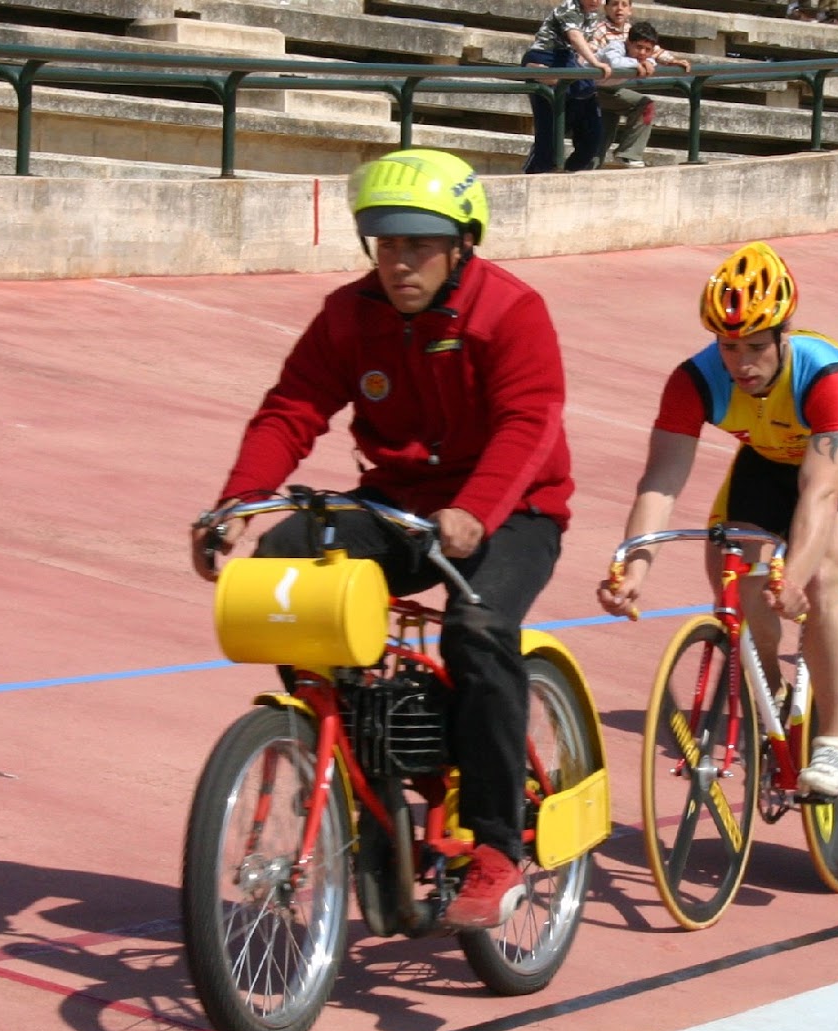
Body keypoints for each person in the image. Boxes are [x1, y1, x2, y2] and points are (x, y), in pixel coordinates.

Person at [189, 148, 574, 929]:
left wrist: (477, 509)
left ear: (462, 245)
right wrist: (238, 502)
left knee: (478, 630)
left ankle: (496, 848)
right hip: (399, 504)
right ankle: (362, 774)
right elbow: (293, 407)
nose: (399, 261)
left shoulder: (510, 311)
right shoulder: (349, 314)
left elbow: (529, 422)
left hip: (513, 509)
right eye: (386, 242)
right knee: (285, 566)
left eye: (419, 244)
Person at [598, 242, 838, 800]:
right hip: (768, 457)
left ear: (785, 335)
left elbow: (820, 492)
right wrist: (634, 565)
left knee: (821, 579)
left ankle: (834, 742)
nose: (741, 364)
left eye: (757, 346)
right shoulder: (693, 380)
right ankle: (776, 695)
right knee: (731, 578)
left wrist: (794, 574)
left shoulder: (827, 376)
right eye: (729, 346)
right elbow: (661, 482)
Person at [521, 0, 611, 174]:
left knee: (591, 119)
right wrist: (595, 63)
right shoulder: (569, 8)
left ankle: (570, 169)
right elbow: (575, 37)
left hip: (568, 60)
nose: (595, 1)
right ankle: (538, 169)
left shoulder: (592, 16)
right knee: (548, 124)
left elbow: (584, 46)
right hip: (545, 55)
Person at [592, 5, 688, 169]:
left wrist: (669, 60)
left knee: (603, 134)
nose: (642, 52)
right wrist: (639, 63)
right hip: (588, 89)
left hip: (609, 89)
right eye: (638, 48)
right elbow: (615, 62)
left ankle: (595, 166)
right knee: (642, 106)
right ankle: (628, 155)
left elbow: (654, 53)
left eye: (646, 50)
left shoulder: (634, 35)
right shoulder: (611, 42)